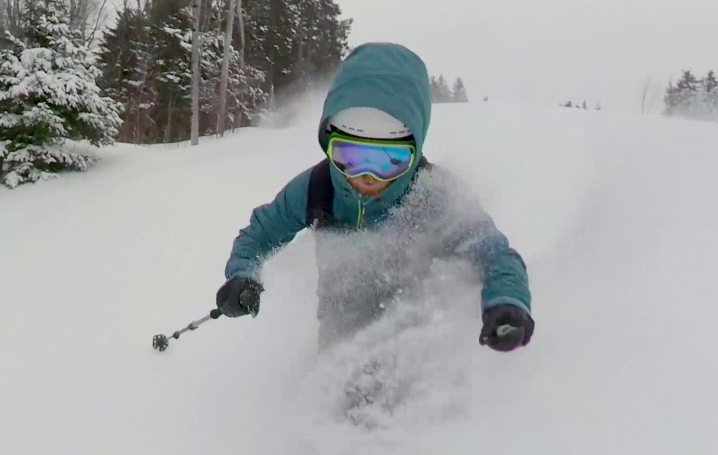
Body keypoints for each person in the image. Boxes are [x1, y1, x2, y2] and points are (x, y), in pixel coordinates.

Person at [214, 42, 534, 353]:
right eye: (349, 154)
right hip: (337, 338)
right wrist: (244, 274)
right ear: (329, 144)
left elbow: (496, 255)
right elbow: (261, 233)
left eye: (388, 160)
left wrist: (507, 302)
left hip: (417, 343)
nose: (367, 175)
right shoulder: (318, 187)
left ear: (415, 149)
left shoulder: (434, 195)